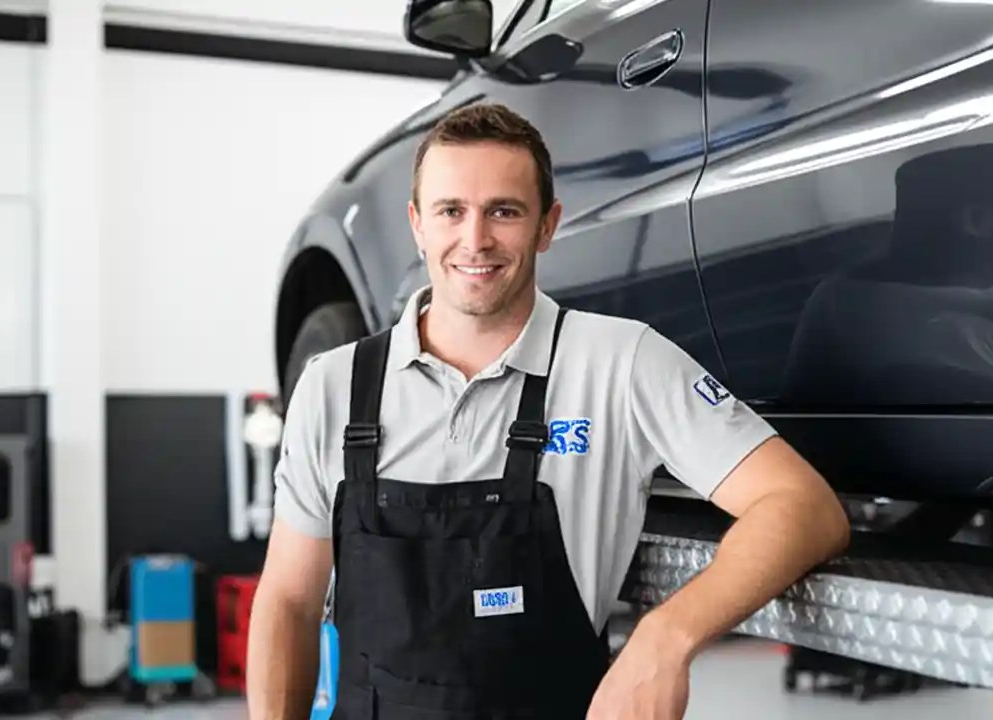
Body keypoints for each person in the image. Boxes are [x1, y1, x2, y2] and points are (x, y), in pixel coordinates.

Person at [245, 102, 851, 720]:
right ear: (417, 225)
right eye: (451, 211)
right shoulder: (333, 386)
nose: (475, 240)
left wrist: (666, 638)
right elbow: (290, 601)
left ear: (547, 225)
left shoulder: (622, 363)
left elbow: (803, 508)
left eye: (503, 211)